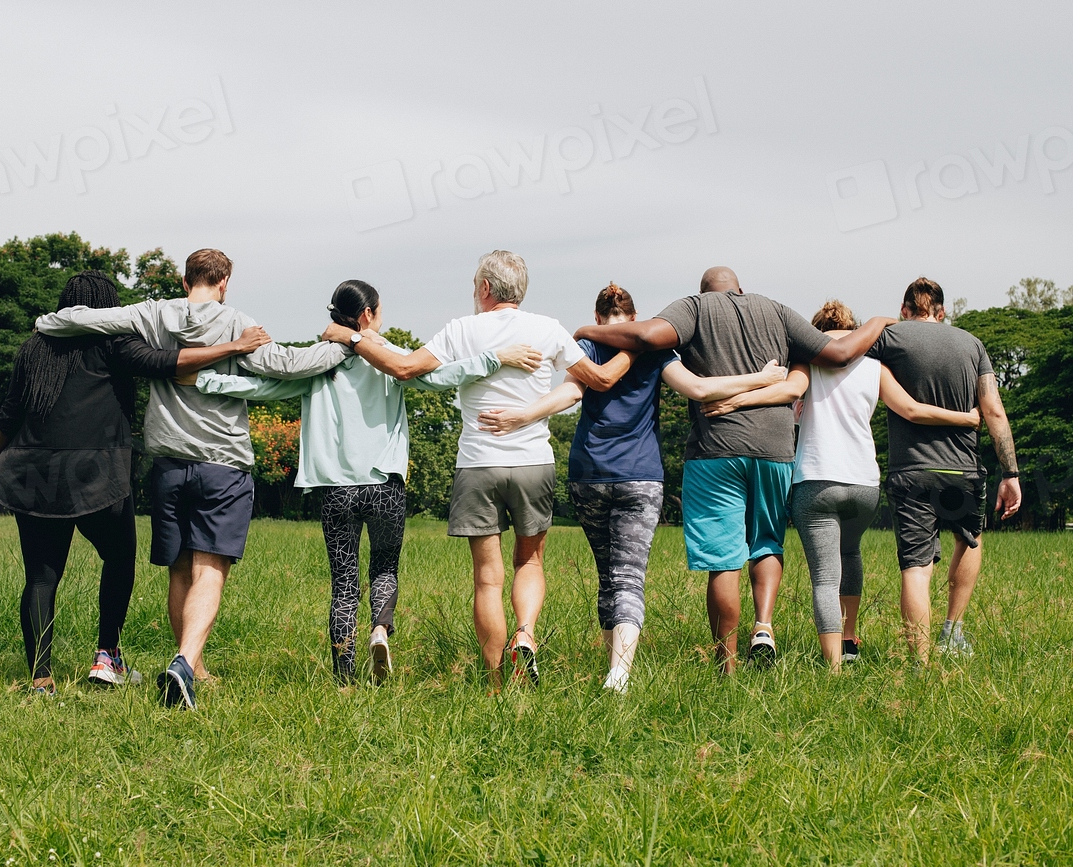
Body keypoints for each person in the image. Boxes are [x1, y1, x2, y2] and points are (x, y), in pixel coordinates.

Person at [33, 249, 351, 710]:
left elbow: (83, 319)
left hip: (168, 466)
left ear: (185, 281)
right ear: (224, 283)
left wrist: (46, 322)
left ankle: (194, 666)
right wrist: (345, 345)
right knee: (210, 570)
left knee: (180, 569)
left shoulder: (152, 314)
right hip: (223, 465)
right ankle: (184, 663)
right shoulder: (236, 322)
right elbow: (287, 364)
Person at [194, 279, 541, 684]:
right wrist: (494, 358)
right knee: (384, 570)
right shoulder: (392, 359)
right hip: (384, 488)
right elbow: (443, 376)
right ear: (367, 315)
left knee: (343, 583)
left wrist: (205, 380)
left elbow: (263, 387)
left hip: (336, 489)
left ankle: (344, 681)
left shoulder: (319, 362)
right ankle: (380, 629)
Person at [322, 251, 634, 688]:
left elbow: (404, 368)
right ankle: (525, 634)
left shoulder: (461, 330)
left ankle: (494, 683)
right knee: (529, 560)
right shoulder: (547, 328)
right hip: (532, 462)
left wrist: (351, 337)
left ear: (485, 288)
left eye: (475, 285)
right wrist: (634, 348)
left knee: (487, 579)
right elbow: (599, 379)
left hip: (477, 464)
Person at [575, 266, 895, 674]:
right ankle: (763, 626)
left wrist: (587, 330)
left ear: (703, 291)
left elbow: (646, 337)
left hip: (715, 449)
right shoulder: (778, 310)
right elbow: (840, 354)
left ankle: (726, 662)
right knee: (767, 543)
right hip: (774, 447)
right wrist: (877, 321)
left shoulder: (694, 308)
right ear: (740, 289)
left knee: (723, 558)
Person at [475, 282, 787, 693]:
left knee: (608, 576)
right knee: (628, 577)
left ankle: (613, 669)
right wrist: (760, 379)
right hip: (641, 476)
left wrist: (524, 416)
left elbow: (569, 393)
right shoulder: (656, 351)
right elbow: (699, 389)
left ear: (598, 317)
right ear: (635, 319)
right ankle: (618, 676)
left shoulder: (588, 346)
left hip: (589, 474)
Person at [0, 270, 269, 695]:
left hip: (34, 475)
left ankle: (41, 678)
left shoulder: (35, 347)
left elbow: (8, 414)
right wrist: (235, 346)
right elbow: (165, 362)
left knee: (40, 577)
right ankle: (106, 657)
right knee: (119, 558)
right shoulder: (113, 342)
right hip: (97, 475)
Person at [703, 300, 981, 670]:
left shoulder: (808, 360)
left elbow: (789, 399)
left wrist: (736, 402)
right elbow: (911, 409)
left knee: (825, 577)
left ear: (816, 330)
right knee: (850, 553)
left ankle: (833, 667)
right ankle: (849, 641)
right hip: (864, 482)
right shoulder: (874, 365)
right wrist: (967, 418)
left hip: (816, 479)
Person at [866, 278, 1021, 662]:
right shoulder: (972, 344)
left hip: (912, 471)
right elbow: (993, 411)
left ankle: (920, 666)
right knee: (969, 540)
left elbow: (842, 350)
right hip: (962, 470)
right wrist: (1011, 474)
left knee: (916, 570)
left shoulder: (890, 338)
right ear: (942, 311)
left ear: (904, 310)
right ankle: (952, 632)